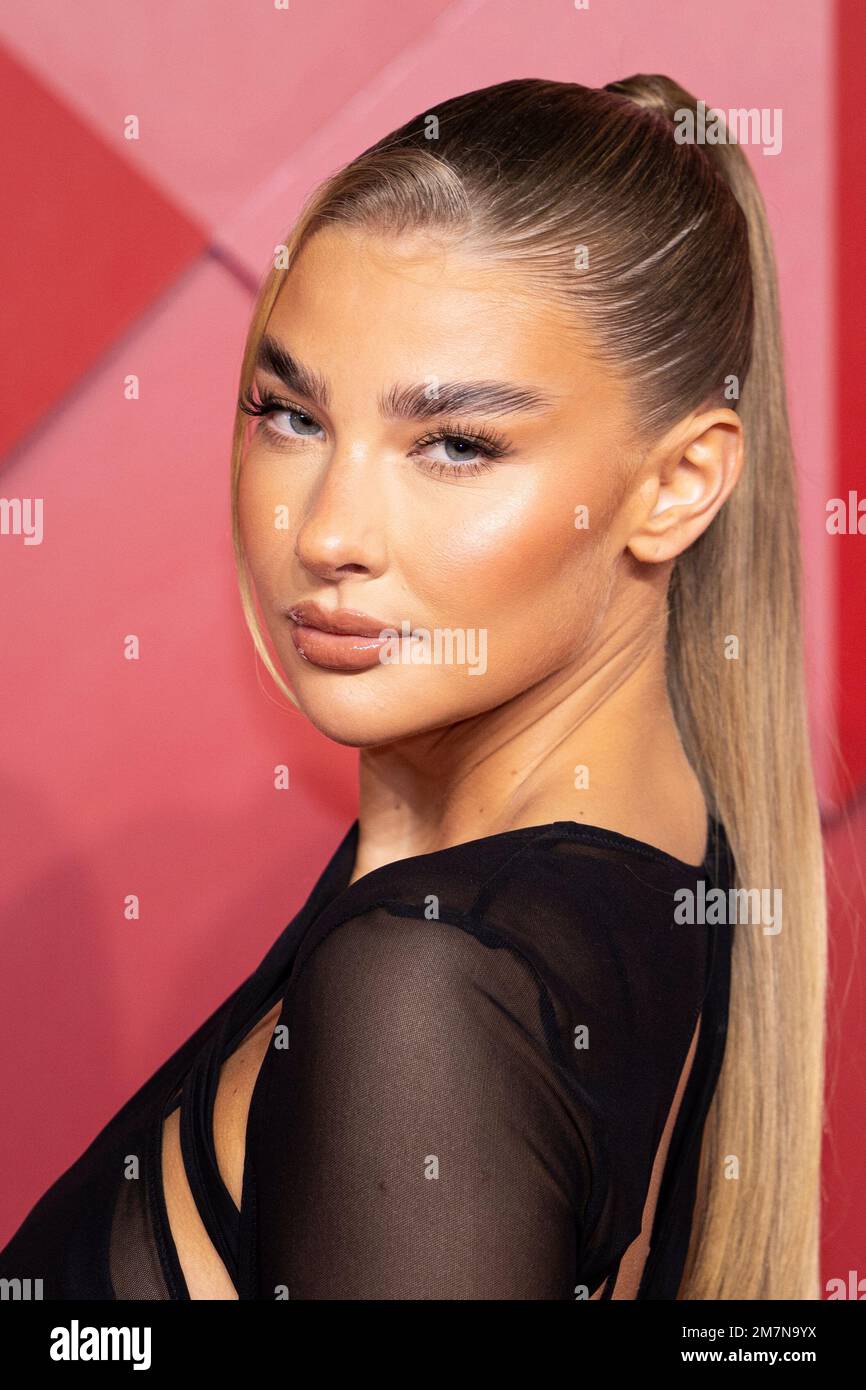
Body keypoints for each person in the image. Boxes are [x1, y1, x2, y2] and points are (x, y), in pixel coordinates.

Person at [0, 74, 826, 1301]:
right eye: (289, 414)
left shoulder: (431, 990)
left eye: (454, 444)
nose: (328, 531)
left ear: (676, 487)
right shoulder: (625, 871)